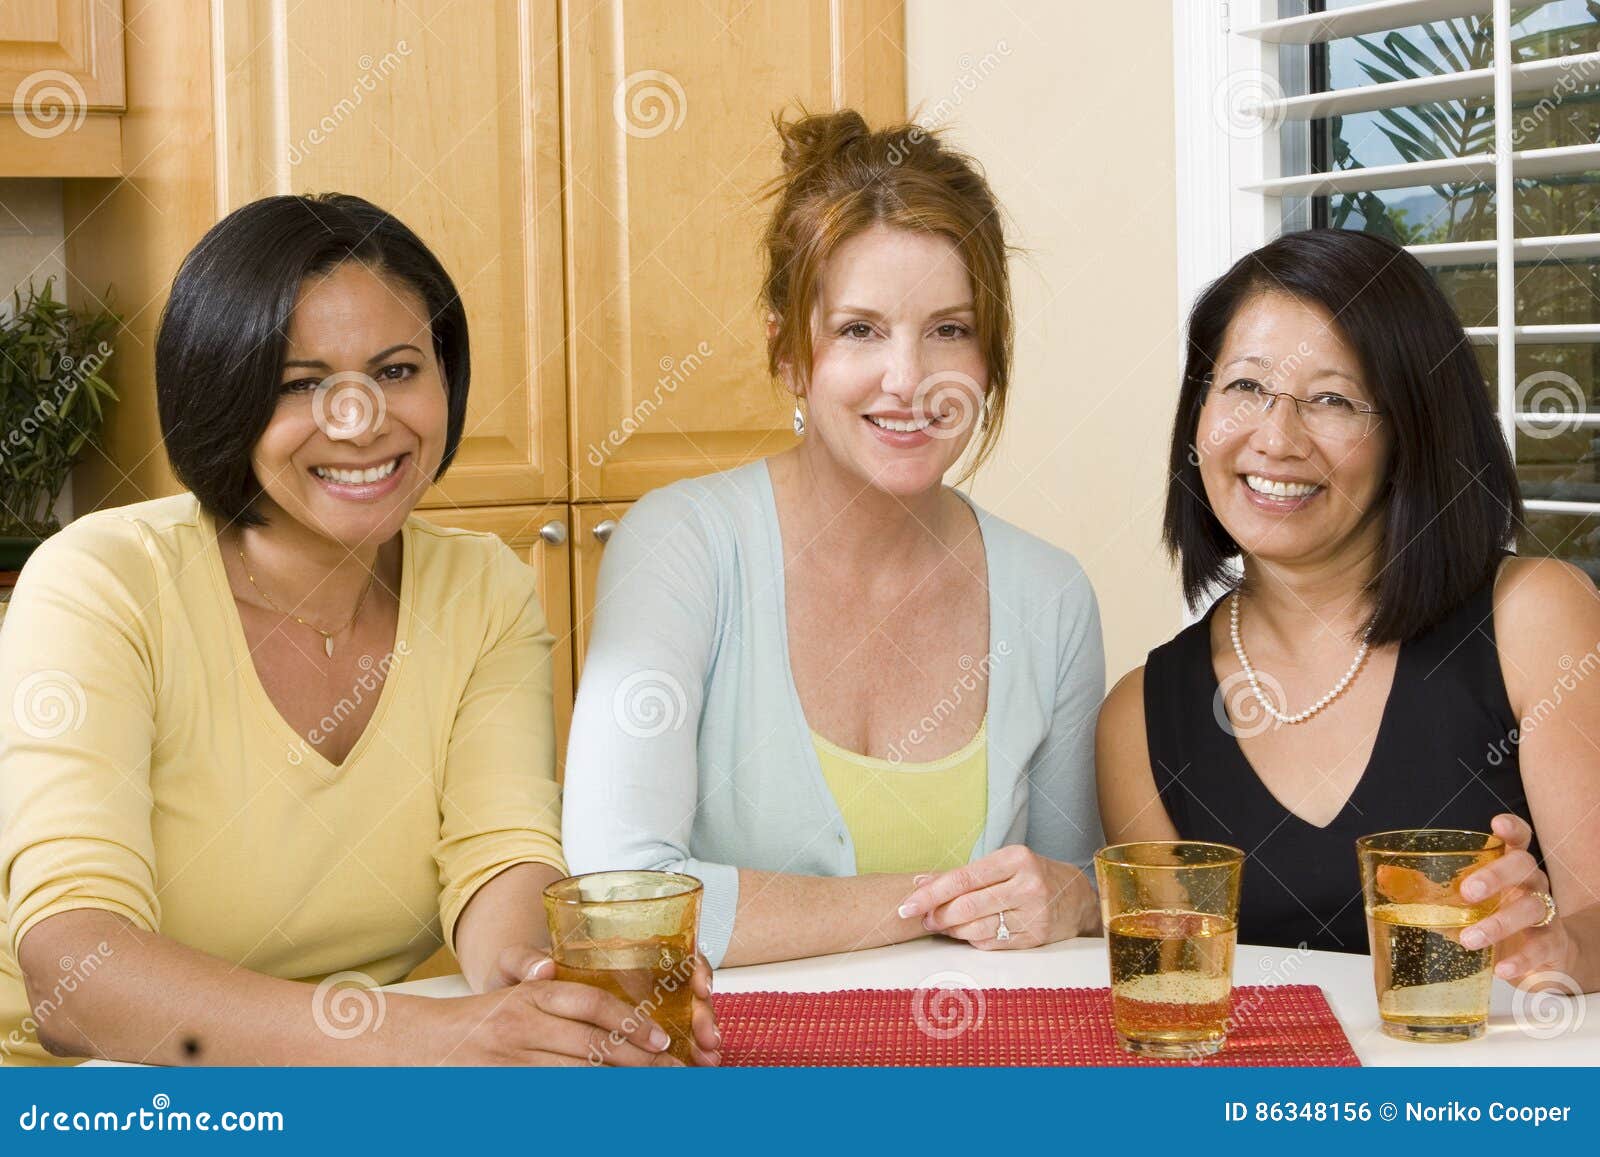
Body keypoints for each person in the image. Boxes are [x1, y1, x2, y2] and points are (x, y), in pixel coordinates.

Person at [0, 194, 717, 1065]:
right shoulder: (103, 583)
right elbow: (76, 972)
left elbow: (501, 854)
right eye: (301, 384)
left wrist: (547, 991)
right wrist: (433, 1037)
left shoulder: (481, 587)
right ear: (218, 394)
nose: (362, 419)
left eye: (397, 370)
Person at [563, 110, 1106, 968]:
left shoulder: (1053, 595)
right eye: (859, 329)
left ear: (990, 356)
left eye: (949, 330)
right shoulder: (681, 546)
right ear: (788, 355)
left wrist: (1080, 895)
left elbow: (1056, 897)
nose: (908, 380)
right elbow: (618, 900)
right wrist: (931, 903)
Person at [1096, 229, 1600, 992]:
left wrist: (1563, 950)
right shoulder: (1139, 717)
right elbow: (1176, 992)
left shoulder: (1535, 618)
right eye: (1244, 386)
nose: (1276, 438)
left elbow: (1597, 927)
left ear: (1412, 434)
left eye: (1333, 399)